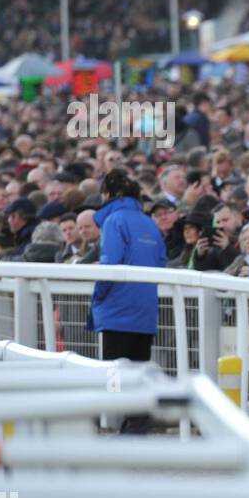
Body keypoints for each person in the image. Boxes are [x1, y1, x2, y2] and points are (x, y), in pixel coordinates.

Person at [90, 169, 167, 432]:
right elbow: (161, 262)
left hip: (117, 309)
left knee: (115, 372)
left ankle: (122, 423)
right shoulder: (149, 223)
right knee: (138, 370)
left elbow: (108, 267)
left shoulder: (114, 221)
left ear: (108, 194)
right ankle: (137, 421)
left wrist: (98, 298)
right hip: (145, 311)